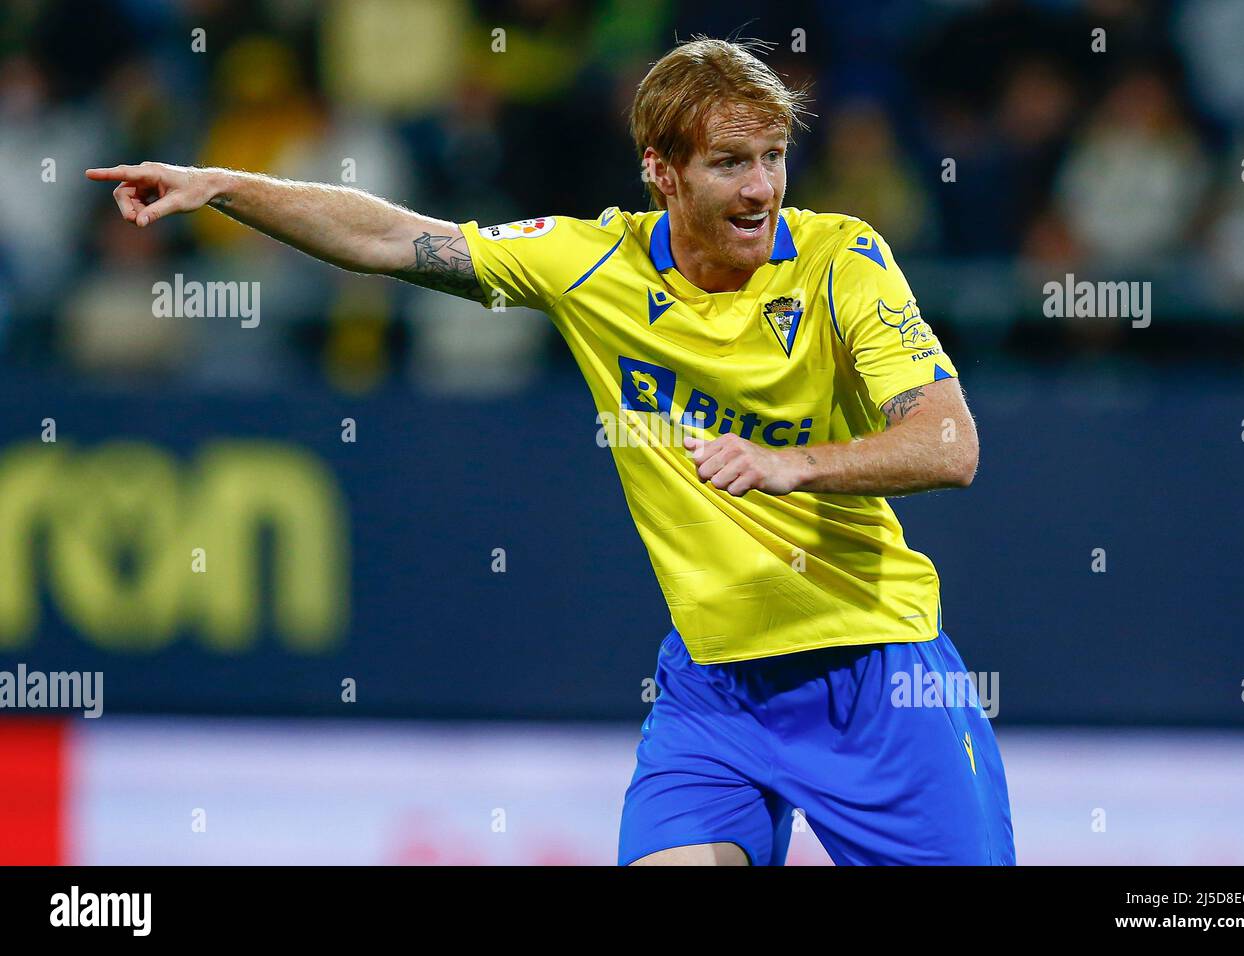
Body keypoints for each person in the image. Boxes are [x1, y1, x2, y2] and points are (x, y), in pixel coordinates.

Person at [87, 36, 1015, 867]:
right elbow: (393, 240)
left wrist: (796, 463)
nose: (763, 188)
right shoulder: (588, 265)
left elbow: (950, 442)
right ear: (662, 170)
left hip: (875, 675)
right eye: (731, 162)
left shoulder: (840, 261)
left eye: (774, 158)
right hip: (714, 688)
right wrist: (227, 185)